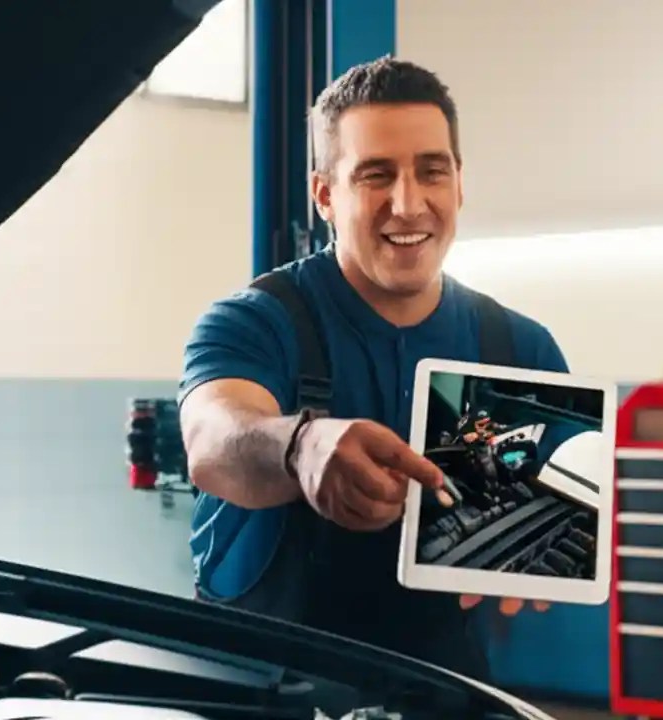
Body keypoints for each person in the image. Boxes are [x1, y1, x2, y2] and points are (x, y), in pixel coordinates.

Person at [177, 56, 563, 680]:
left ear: (459, 183)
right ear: (325, 195)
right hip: (258, 688)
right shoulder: (256, 323)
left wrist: (562, 539)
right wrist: (300, 447)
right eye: (375, 176)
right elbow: (211, 439)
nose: (408, 205)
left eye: (431, 172)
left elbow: (565, 500)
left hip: (432, 687)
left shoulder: (520, 349)